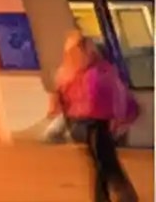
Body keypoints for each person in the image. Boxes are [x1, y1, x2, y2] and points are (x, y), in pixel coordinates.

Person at [50, 32, 139, 202]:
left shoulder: (93, 71)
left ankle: (114, 197)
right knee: (105, 162)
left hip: (96, 123)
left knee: (103, 163)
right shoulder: (84, 71)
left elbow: (112, 96)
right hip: (89, 123)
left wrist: (118, 117)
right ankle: (119, 196)